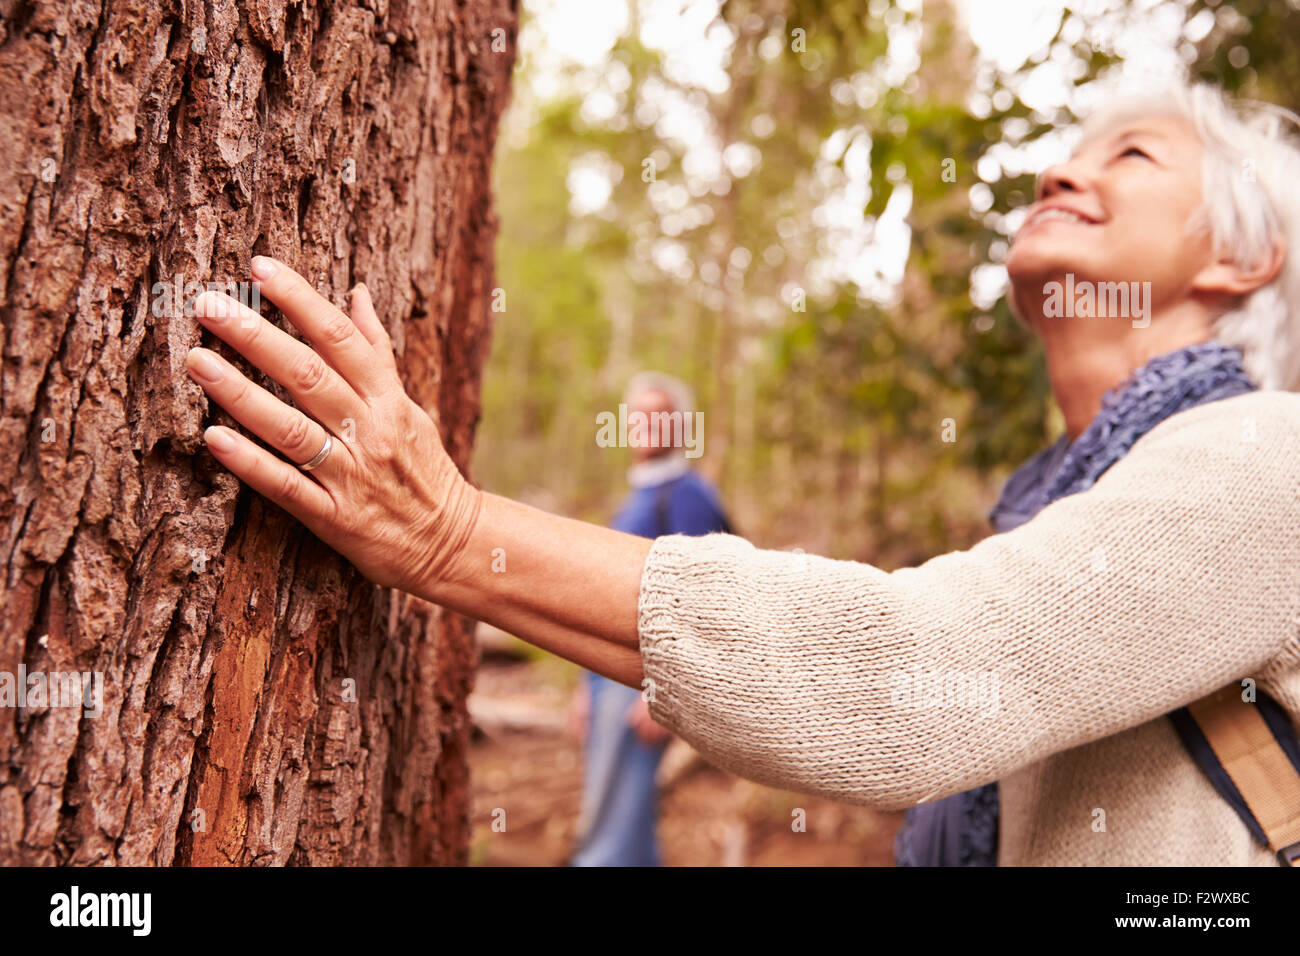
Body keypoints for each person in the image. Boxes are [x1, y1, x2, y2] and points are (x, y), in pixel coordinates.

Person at [182, 77, 1300, 866]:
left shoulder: (1268, 454)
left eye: (1132, 153)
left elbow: (914, 675)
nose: (1060, 168)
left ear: (1242, 257)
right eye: (1072, 148)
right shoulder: (1070, 502)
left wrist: (446, 531)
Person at [567, 372, 732, 867]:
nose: (647, 423)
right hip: (607, 682)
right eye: (638, 415)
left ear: (681, 426)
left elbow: (710, 596)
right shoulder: (638, 496)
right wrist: (584, 686)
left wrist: (666, 686)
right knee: (620, 815)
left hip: (639, 686)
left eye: (660, 414)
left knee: (617, 820)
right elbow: (610, 596)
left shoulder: (689, 495)